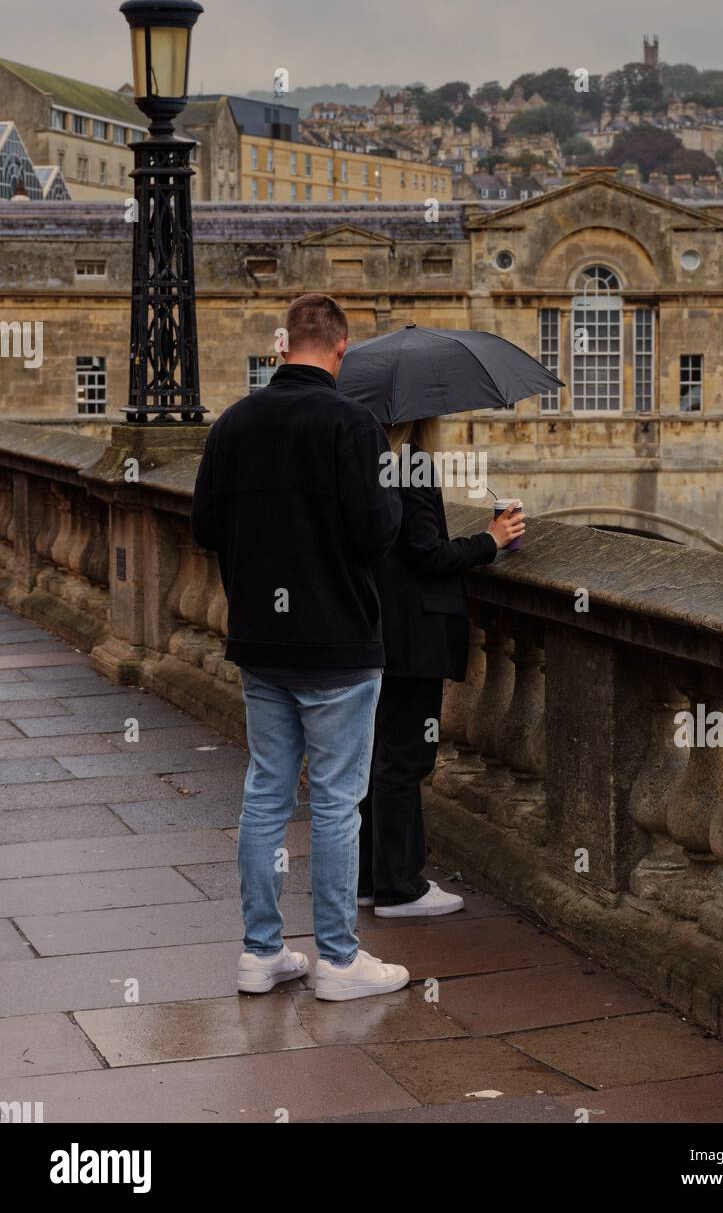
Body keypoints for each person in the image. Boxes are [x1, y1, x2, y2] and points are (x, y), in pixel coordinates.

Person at [191, 293, 410, 1002]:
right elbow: (378, 533)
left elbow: (204, 528)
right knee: (337, 804)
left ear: (283, 347)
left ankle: (260, 952)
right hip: (339, 643)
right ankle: (339, 961)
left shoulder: (234, 422)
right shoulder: (355, 425)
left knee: (264, 795)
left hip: (260, 639)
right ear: (341, 351)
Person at [359, 417, 525, 916]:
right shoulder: (413, 466)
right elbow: (428, 555)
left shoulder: (375, 466)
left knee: (379, 756)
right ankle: (399, 886)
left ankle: (370, 879)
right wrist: (491, 540)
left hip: (381, 631)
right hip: (414, 637)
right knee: (406, 759)